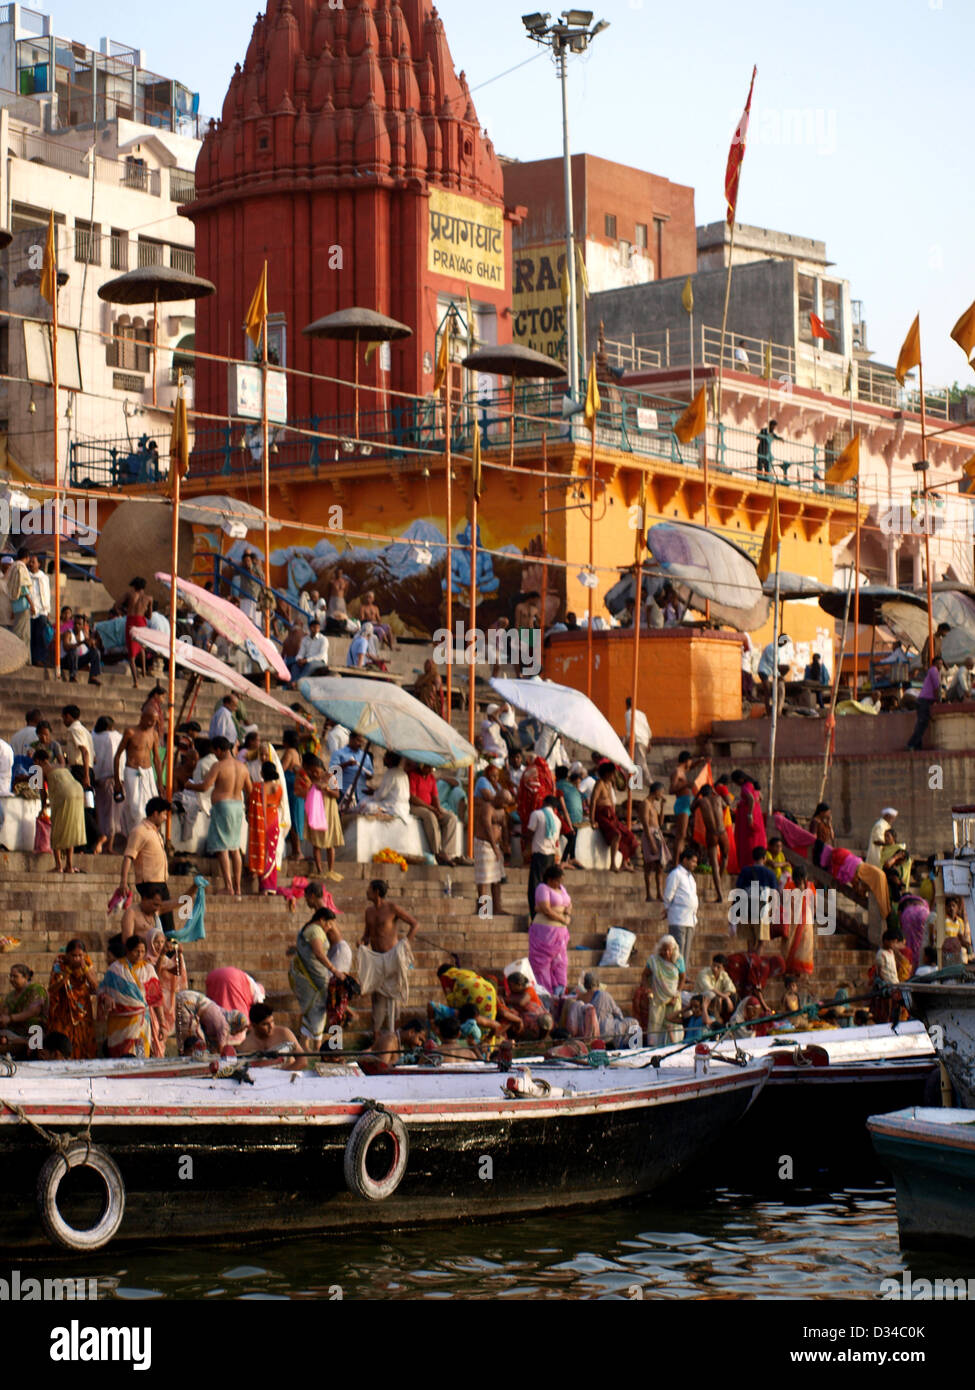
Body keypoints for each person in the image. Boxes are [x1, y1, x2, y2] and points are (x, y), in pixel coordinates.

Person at [187, 737, 249, 896]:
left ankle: (229, 887)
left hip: (223, 807)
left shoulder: (219, 766)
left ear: (219, 750)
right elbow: (250, 789)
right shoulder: (242, 767)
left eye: (215, 751)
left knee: (222, 848)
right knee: (235, 848)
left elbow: (205, 786)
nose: (214, 754)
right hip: (237, 807)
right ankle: (238, 888)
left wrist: (189, 785)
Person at [288, 906, 354, 1051]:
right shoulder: (315, 930)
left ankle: (309, 1044)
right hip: (313, 975)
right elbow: (318, 952)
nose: (330, 928)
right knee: (322, 1007)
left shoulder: (311, 929)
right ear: (322, 919)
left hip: (311, 975)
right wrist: (334, 970)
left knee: (316, 1007)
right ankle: (319, 1047)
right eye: (329, 923)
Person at [359, 879, 419, 1034]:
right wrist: (361, 942)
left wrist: (405, 945)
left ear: (376, 892)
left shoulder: (392, 908)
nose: (367, 892)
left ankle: (395, 1038)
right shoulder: (369, 912)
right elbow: (367, 935)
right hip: (376, 959)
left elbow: (414, 924)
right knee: (377, 1000)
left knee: (394, 999)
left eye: (369, 889)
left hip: (393, 957)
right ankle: (376, 1038)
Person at [98, 934, 162, 1058]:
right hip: (120, 1023)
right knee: (120, 1057)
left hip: (142, 1023)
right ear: (128, 950)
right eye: (136, 951)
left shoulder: (148, 969)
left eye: (143, 951)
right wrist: (105, 997)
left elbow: (156, 1000)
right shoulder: (115, 969)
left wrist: (162, 1024)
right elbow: (102, 989)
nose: (140, 955)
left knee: (140, 1056)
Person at [119, 797, 176, 933]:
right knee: (160, 920)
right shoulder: (140, 831)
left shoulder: (155, 832)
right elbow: (128, 857)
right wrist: (123, 882)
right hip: (149, 883)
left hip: (160, 882)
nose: (165, 818)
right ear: (155, 813)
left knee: (166, 920)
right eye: (163, 814)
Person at [33, 747, 85, 875]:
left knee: (57, 829)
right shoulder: (59, 765)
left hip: (64, 795)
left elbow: (42, 793)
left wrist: (43, 808)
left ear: (38, 761)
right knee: (70, 830)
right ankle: (69, 866)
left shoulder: (40, 770)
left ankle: (58, 866)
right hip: (78, 792)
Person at [46, 939, 98, 1060]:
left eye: (80, 955)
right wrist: (65, 978)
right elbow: (51, 989)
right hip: (63, 1007)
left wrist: (85, 969)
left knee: (84, 1039)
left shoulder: (87, 962)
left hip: (82, 1007)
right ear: (67, 955)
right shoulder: (59, 963)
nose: (77, 959)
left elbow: (95, 987)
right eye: (73, 956)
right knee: (62, 1038)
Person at [113, 708, 162, 836]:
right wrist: (117, 781)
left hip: (148, 773)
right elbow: (117, 756)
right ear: (142, 717)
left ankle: (149, 836)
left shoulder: (154, 734)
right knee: (136, 810)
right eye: (150, 720)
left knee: (154, 808)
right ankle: (136, 836)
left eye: (155, 721)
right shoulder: (130, 732)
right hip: (132, 772)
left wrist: (160, 782)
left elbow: (156, 758)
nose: (152, 723)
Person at [408, 761, 465, 867]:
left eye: (432, 768)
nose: (430, 770)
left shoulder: (431, 778)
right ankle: (437, 852)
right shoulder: (413, 775)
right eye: (428, 767)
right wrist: (431, 809)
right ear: (422, 765)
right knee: (431, 816)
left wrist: (438, 809)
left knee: (451, 818)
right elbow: (413, 798)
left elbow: (435, 796)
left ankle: (447, 853)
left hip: (431, 806)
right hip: (415, 806)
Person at [528, 863, 572, 997]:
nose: (560, 883)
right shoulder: (542, 888)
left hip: (560, 934)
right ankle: (545, 997)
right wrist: (562, 918)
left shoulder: (561, 888)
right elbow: (546, 909)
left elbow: (569, 903)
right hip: (545, 932)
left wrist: (567, 914)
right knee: (542, 966)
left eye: (561, 881)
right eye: (557, 880)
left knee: (561, 963)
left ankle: (558, 994)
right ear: (550, 879)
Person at [590, 761, 638, 872]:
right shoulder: (599, 783)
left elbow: (612, 802)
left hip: (612, 816)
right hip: (602, 815)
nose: (613, 775)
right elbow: (593, 802)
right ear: (606, 773)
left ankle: (624, 863)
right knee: (617, 834)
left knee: (629, 835)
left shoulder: (609, 784)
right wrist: (592, 820)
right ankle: (612, 864)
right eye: (612, 773)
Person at [473, 765, 508, 917]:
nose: (505, 805)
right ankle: (484, 910)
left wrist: (505, 844)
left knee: (497, 879)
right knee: (484, 879)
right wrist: (494, 847)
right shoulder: (488, 807)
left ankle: (498, 907)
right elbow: (487, 828)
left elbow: (504, 827)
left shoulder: (501, 810)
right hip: (485, 845)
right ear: (498, 798)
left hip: (496, 847)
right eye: (504, 802)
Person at [146, 928, 186, 1055]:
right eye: (156, 942)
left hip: (166, 1000)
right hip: (153, 1001)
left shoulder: (164, 960)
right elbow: (154, 976)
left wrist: (179, 954)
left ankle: (160, 1055)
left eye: (162, 942)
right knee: (155, 1029)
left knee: (162, 1031)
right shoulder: (146, 960)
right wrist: (162, 955)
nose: (159, 945)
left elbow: (177, 972)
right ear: (150, 942)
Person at [304, 755, 344, 881]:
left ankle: (330, 870)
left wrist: (326, 789)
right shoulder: (311, 779)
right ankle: (320, 870)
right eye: (311, 772)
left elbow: (337, 794)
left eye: (316, 771)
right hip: (316, 813)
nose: (314, 774)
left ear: (321, 768)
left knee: (330, 843)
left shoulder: (330, 776)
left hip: (329, 812)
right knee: (316, 843)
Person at [175, 990, 248, 1057]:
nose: (236, 1032)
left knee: (196, 1038)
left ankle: (186, 1056)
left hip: (187, 998)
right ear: (235, 1024)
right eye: (239, 1030)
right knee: (191, 1038)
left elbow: (212, 1041)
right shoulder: (224, 1025)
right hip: (187, 1002)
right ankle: (186, 1060)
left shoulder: (222, 1014)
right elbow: (222, 1046)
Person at [734, 847, 780, 953]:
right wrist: (773, 912)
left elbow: (738, 891)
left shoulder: (745, 871)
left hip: (746, 908)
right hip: (762, 908)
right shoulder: (770, 874)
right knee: (762, 940)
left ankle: (750, 961)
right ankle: (756, 962)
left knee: (750, 941)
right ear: (764, 858)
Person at [248, 760, 284, 894]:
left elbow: (250, 802)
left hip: (262, 822)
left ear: (262, 773)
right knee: (271, 855)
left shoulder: (257, 786)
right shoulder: (278, 788)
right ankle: (271, 887)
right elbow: (279, 803)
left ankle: (264, 887)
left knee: (262, 852)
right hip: (274, 821)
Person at [690, 784, 729, 903]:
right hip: (722, 833)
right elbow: (726, 805)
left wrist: (698, 795)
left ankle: (720, 893)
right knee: (725, 857)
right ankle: (719, 882)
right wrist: (715, 793)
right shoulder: (718, 798)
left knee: (715, 866)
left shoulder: (701, 801)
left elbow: (691, 808)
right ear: (711, 791)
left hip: (711, 834)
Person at [526, 793, 563, 914]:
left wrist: (526, 849)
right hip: (550, 856)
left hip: (539, 854)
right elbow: (556, 840)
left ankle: (535, 915)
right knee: (547, 888)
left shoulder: (537, 814)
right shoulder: (557, 820)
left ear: (544, 803)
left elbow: (530, 833)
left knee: (535, 888)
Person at [644, 937, 684, 1044]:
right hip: (657, 998)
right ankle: (654, 1046)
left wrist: (677, 994)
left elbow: (682, 978)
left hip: (674, 997)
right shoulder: (654, 960)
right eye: (664, 950)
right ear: (660, 949)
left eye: (669, 950)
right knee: (655, 1023)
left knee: (674, 1024)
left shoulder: (679, 959)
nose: (667, 953)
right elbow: (645, 975)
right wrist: (648, 990)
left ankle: (675, 1045)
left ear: (674, 949)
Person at [239, 1002, 303, 1069]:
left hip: (287, 1076)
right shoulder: (245, 1045)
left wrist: (282, 1075)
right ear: (254, 1026)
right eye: (265, 1024)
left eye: (272, 1021)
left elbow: (302, 1061)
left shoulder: (285, 1034)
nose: (271, 1026)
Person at [0, 964, 48, 1053]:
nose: (11, 979)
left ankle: (28, 1043)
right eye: (10, 976)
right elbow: (5, 1014)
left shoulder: (36, 989)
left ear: (25, 977)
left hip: (34, 1031)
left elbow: (33, 1011)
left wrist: (10, 1018)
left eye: (15, 976)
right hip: (14, 1033)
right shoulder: (10, 996)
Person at [663, 849, 699, 964]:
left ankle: (684, 974)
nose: (695, 865)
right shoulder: (676, 874)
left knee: (686, 950)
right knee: (677, 949)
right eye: (693, 861)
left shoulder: (690, 878)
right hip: (678, 918)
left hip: (690, 919)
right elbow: (668, 894)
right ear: (685, 860)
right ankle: (676, 973)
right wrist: (666, 908)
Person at [669, 752, 706, 863]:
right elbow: (671, 789)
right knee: (680, 836)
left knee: (683, 836)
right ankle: (675, 864)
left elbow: (692, 766)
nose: (690, 764)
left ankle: (678, 861)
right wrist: (686, 784)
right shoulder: (677, 771)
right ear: (686, 761)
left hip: (685, 803)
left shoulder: (683, 771)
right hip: (681, 804)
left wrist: (699, 761)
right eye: (690, 761)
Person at [638, 781, 670, 902]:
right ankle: (648, 894)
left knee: (660, 866)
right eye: (661, 792)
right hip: (649, 835)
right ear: (656, 791)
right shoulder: (645, 804)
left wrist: (662, 807)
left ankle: (659, 893)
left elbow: (660, 823)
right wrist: (651, 841)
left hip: (657, 833)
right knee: (649, 865)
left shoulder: (653, 805)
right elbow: (645, 823)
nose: (662, 795)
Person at [783, 864, 816, 977]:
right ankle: (790, 969)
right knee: (792, 943)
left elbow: (814, 904)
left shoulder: (809, 886)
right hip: (794, 918)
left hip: (804, 918)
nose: (797, 881)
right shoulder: (789, 885)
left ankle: (798, 970)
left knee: (803, 945)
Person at [120, 577, 151, 688]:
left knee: (131, 654)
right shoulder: (149, 598)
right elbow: (150, 616)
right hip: (141, 621)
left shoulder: (129, 595)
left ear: (134, 586)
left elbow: (117, 605)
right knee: (141, 648)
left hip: (131, 620)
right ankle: (143, 672)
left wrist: (125, 611)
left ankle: (136, 681)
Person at [731, 770, 767, 866]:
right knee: (756, 840)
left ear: (740, 779)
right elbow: (760, 797)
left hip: (749, 817)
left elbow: (751, 798)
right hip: (757, 816)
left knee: (747, 843)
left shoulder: (745, 786)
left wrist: (749, 814)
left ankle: (751, 875)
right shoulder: (753, 785)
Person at [907, 658, 944, 751]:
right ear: (934, 663)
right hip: (925, 701)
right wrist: (939, 701)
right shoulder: (933, 670)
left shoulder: (935, 672)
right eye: (939, 663)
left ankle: (917, 746)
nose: (940, 665)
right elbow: (936, 687)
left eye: (941, 664)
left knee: (921, 724)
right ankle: (911, 744)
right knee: (922, 723)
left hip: (924, 700)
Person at [5, 546, 34, 645]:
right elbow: (23, 588)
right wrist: (32, 604)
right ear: (27, 556)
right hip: (22, 605)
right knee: (22, 634)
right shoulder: (21, 567)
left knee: (18, 631)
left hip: (15, 605)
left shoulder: (13, 566)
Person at [696, 953, 737, 1023]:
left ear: (723, 968)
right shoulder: (704, 973)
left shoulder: (724, 974)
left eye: (718, 967)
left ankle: (730, 1021)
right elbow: (709, 989)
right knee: (711, 995)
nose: (715, 969)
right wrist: (724, 996)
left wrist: (724, 997)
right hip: (702, 998)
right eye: (714, 965)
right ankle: (715, 1018)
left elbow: (731, 988)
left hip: (718, 1000)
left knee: (734, 996)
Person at [27, 554, 51, 668]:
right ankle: (31, 659)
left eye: (33, 562)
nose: (31, 564)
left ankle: (40, 659)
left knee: (40, 636)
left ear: (39, 564)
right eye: (30, 562)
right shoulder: (27, 576)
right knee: (31, 636)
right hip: (30, 610)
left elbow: (47, 594)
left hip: (42, 610)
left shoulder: (44, 577)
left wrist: (48, 610)